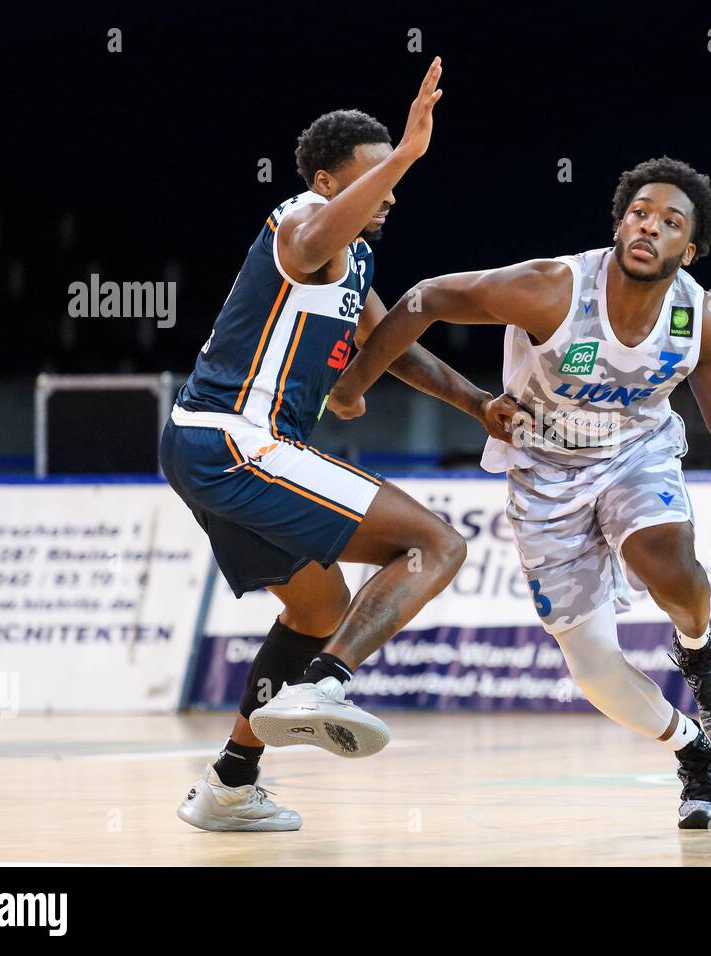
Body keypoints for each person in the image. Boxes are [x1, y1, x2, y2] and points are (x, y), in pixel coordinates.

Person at [328, 157, 711, 829]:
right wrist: (357, 384)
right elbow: (425, 298)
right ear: (618, 225)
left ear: (689, 251)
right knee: (597, 671)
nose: (649, 227)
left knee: (670, 562)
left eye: (670, 222)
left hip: (636, 453)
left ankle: (701, 655)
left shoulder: (702, 317)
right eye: (639, 213)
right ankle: (697, 754)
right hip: (543, 474)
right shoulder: (551, 289)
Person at [162, 59, 516, 832]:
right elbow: (317, 234)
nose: (391, 191)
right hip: (233, 440)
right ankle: (325, 684)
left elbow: (392, 348)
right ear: (327, 182)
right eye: (377, 175)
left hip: (208, 449)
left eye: (397, 176)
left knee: (319, 606)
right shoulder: (304, 222)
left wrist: (477, 403)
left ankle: (228, 785)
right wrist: (410, 150)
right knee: (438, 545)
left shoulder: (351, 257)